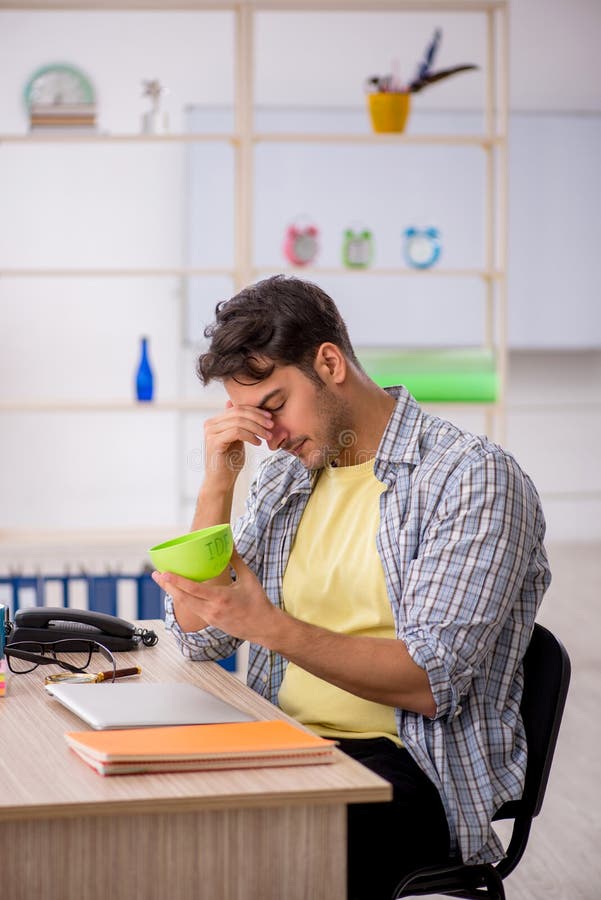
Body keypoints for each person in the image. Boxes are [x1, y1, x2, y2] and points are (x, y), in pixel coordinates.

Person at [156, 274, 551, 899]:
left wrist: (265, 625)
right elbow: (197, 635)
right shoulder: (286, 477)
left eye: (276, 404)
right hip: (282, 738)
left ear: (330, 363)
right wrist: (218, 485)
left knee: (240, 856)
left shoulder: (471, 477)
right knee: (148, 819)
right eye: (251, 414)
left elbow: (430, 683)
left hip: (407, 768)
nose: (270, 433)